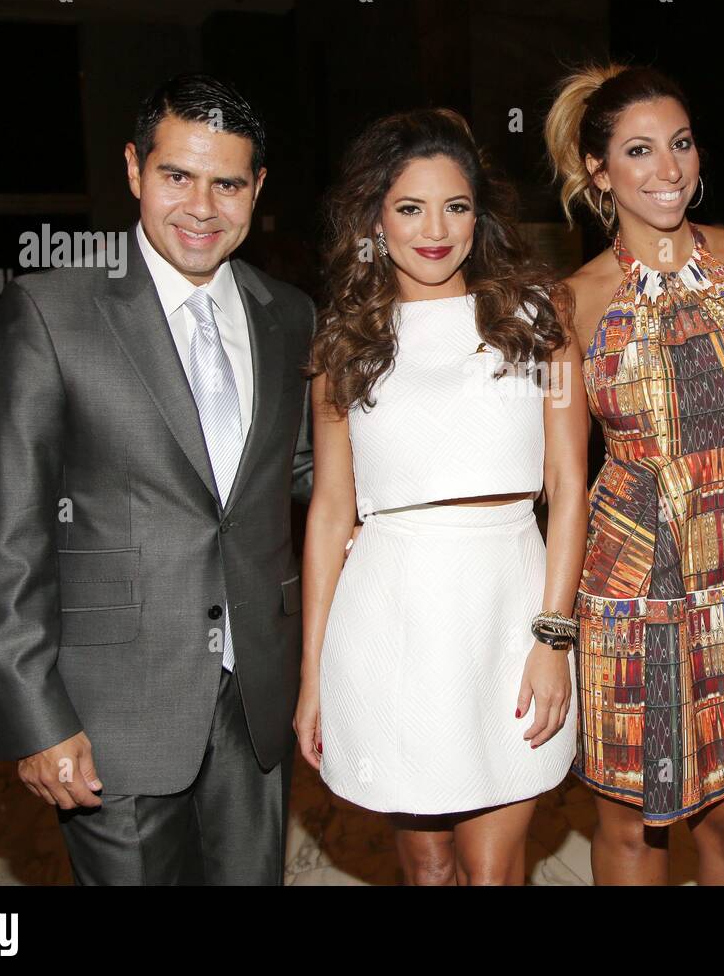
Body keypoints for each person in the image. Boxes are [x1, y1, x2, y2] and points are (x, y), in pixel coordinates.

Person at [0, 74, 316, 885]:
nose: (201, 206)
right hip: (109, 706)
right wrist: (34, 717)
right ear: (133, 169)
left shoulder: (287, 312)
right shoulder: (50, 311)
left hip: (253, 698)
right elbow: (1, 540)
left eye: (227, 183)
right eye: (176, 176)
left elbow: (296, 472)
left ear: (257, 189)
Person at [544, 64, 724, 885]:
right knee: (631, 828)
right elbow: (564, 479)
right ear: (599, 171)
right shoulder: (569, 304)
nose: (669, 170)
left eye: (681, 144)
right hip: (633, 591)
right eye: (638, 151)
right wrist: (551, 631)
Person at [295, 107, 586, 885]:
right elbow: (330, 514)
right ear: (374, 219)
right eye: (409, 207)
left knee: (490, 870)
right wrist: (313, 675)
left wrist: (553, 637)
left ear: (479, 216)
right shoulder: (345, 339)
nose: (435, 228)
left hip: (509, 607)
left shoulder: (540, 316)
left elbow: (567, 486)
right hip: (389, 617)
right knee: (426, 868)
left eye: (456, 206)